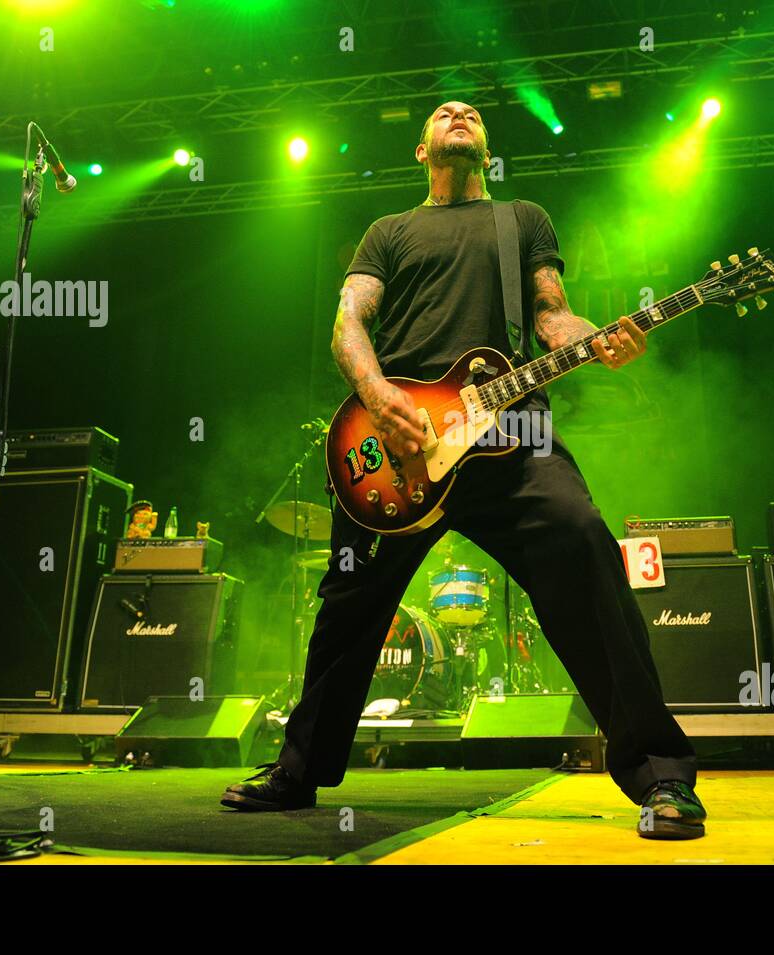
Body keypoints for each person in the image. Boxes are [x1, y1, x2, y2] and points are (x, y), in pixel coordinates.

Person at [222, 101, 705, 839]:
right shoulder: (389, 232)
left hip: (514, 431)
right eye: (443, 113)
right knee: (349, 601)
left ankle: (661, 773)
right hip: (399, 439)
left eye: (471, 112)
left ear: (485, 147)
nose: (457, 112)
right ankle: (298, 768)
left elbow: (552, 315)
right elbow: (349, 320)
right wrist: (377, 395)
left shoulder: (522, 219)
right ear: (422, 150)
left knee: (582, 541)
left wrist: (594, 336)